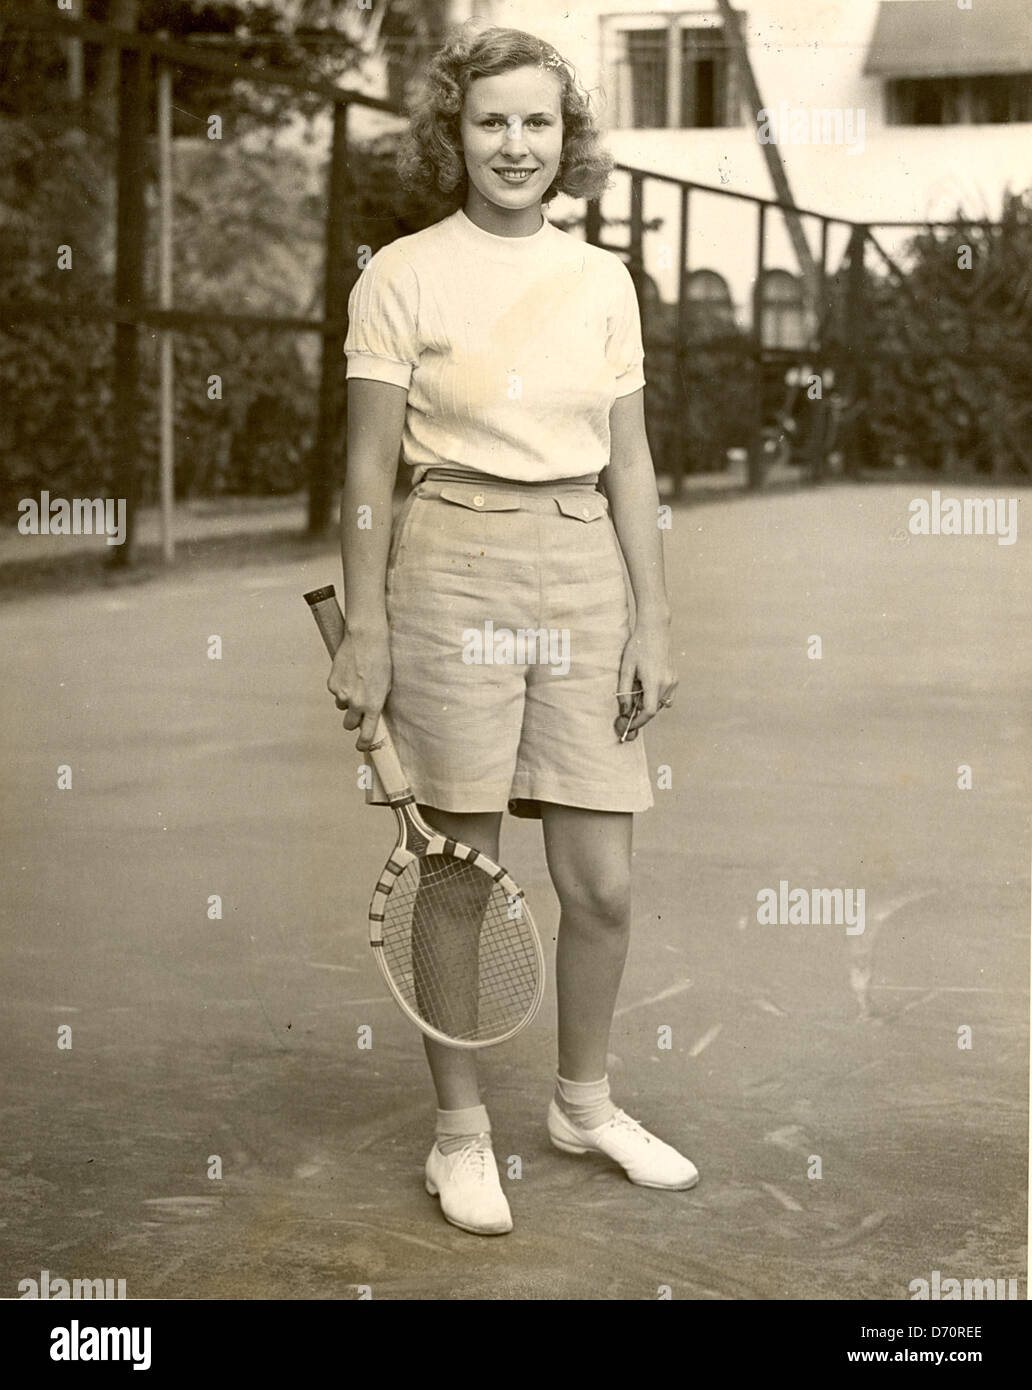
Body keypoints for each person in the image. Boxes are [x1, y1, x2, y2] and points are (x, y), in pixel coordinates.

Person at [329, 24, 698, 1236]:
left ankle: (583, 1106)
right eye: (492, 121)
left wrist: (653, 616)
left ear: (567, 138)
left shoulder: (603, 281)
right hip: (450, 572)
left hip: (583, 574)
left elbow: (632, 465)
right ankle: (459, 1135)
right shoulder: (400, 274)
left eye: (538, 121)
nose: (516, 144)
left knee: (600, 879)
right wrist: (367, 627)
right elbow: (371, 468)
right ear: (455, 134)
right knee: (459, 875)